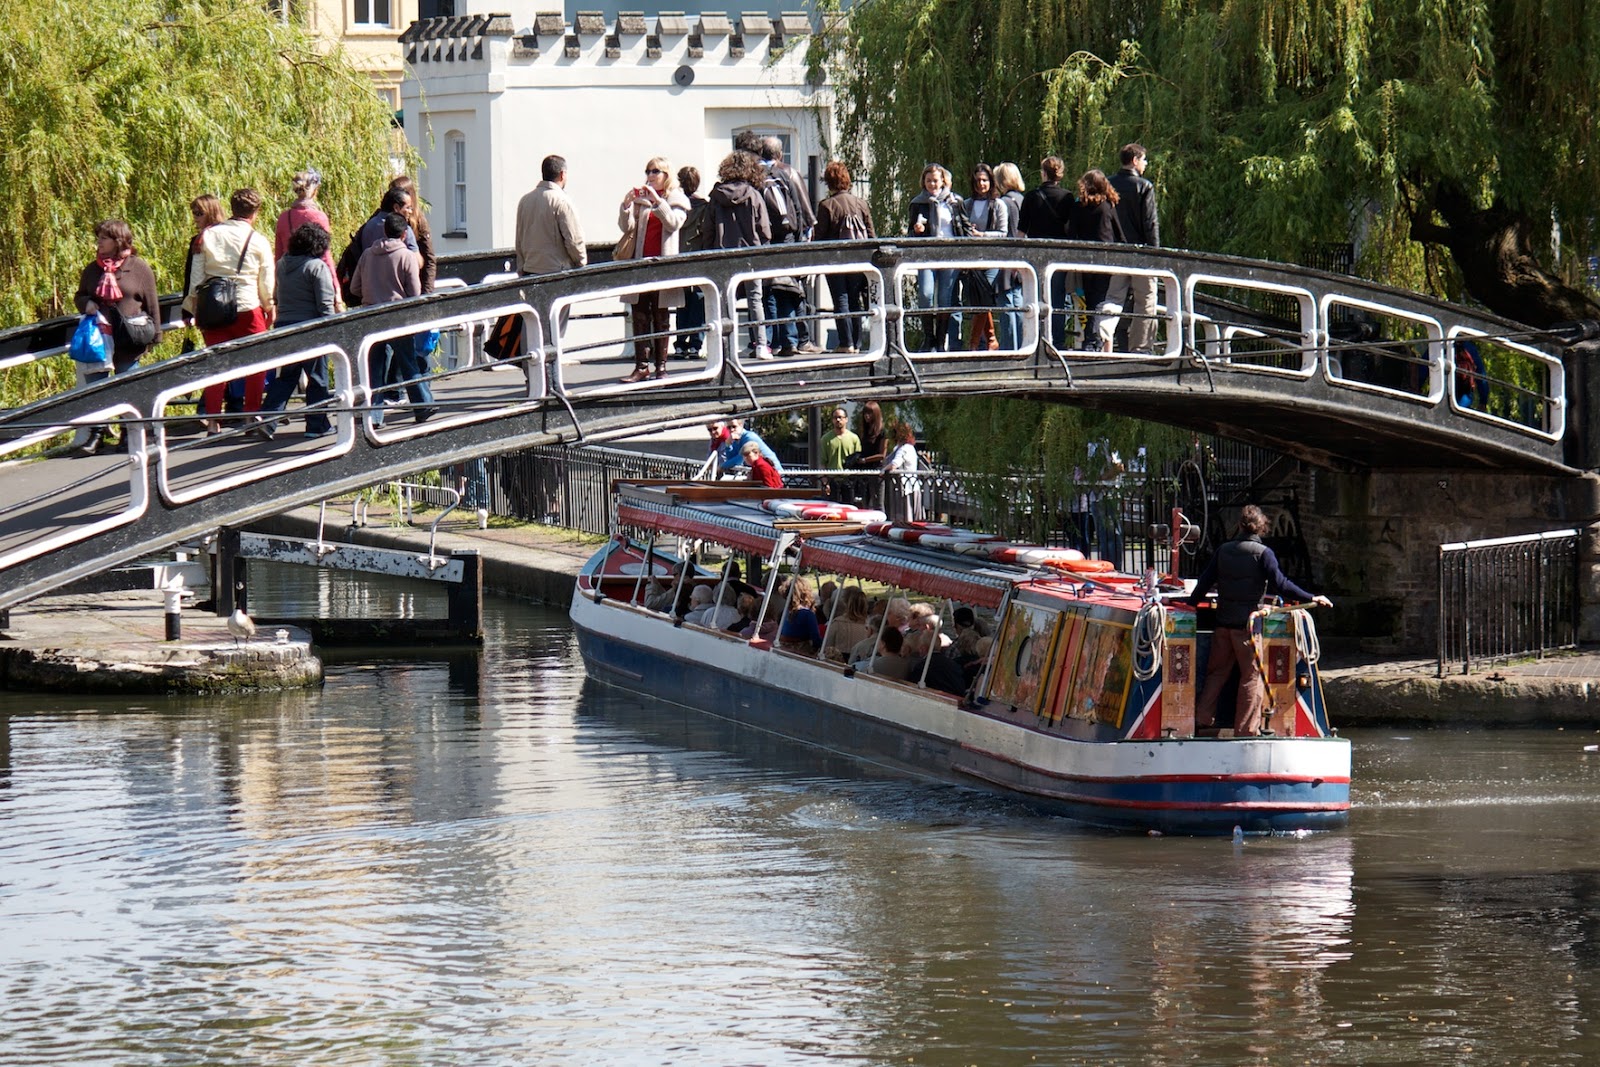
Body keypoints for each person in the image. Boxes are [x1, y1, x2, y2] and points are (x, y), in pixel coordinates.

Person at [1187, 505, 1333, 735]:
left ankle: (1202, 719)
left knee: (1216, 673)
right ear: (1262, 527)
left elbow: (1204, 583)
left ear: (1239, 526)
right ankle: (1246, 729)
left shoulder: (1223, 550)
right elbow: (1281, 584)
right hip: (1248, 628)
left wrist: (1189, 605)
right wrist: (1311, 597)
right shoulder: (1264, 554)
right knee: (1251, 677)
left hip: (1223, 625)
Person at [183, 188, 276, 434]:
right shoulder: (258, 240)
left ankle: (213, 420)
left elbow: (196, 277)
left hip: (213, 308)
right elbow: (265, 279)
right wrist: (269, 305)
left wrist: (193, 307)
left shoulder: (207, 236)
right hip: (247, 306)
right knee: (256, 363)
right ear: (255, 212)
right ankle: (250, 415)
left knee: (216, 365)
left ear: (232, 208)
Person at [71, 219, 161, 453]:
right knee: (97, 388)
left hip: (128, 338)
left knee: (126, 385)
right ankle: (97, 434)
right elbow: (79, 296)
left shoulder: (139, 268)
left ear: (118, 241)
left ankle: (127, 433)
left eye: (104, 238)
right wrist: (87, 303)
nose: (98, 242)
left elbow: (152, 304)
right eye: (98, 238)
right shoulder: (92, 269)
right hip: (99, 338)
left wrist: (155, 336)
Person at [350, 211, 434, 427]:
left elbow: (354, 287)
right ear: (404, 234)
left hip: (371, 316)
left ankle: (375, 416)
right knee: (408, 362)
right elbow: (414, 292)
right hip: (397, 317)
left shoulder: (368, 254)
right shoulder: (406, 256)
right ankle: (423, 405)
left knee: (374, 368)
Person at [258, 222, 338, 439]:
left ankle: (268, 418)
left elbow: (278, 296)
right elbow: (325, 305)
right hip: (310, 328)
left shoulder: (282, 264)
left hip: (285, 326)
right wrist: (333, 331)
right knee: (317, 378)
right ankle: (317, 424)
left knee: (286, 376)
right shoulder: (316, 267)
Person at [617, 156, 690, 382]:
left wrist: (658, 201)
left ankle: (661, 366)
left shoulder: (676, 198)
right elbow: (626, 227)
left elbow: (673, 222)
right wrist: (626, 206)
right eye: (647, 171)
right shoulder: (642, 200)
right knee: (639, 314)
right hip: (641, 263)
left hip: (663, 265)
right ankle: (641, 366)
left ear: (666, 175)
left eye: (655, 171)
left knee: (661, 316)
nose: (650, 176)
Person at [708, 150, 771, 360]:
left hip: (722, 254)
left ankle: (726, 347)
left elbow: (708, 229)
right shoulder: (753, 195)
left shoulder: (716, 196)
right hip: (750, 254)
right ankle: (761, 345)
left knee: (725, 302)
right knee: (755, 300)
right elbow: (764, 230)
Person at [760, 135, 819, 356]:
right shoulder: (789, 172)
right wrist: (806, 229)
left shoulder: (756, 175)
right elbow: (802, 204)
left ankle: (772, 341)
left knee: (769, 291)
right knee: (791, 288)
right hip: (787, 236)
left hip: (764, 237)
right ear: (780, 152)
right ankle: (797, 339)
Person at [812, 161, 875, 353]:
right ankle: (857, 343)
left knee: (841, 300)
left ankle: (845, 343)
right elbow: (871, 234)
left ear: (828, 182)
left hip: (836, 261)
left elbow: (820, 237)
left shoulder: (826, 206)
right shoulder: (861, 203)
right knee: (855, 300)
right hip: (858, 260)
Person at [1106, 144, 1160, 353]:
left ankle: (1103, 339)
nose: (1145, 164)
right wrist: (1155, 254)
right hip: (1141, 254)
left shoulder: (1109, 184)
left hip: (1117, 252)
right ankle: (1141, 347)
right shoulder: (1144, 186)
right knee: (1145, 300)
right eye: (1144, 160)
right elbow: (1150, 223)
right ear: (1135, 160)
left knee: (1113, 297)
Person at [1065, 169, 1127, 352]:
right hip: (1105, 259)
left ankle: (1091, 339)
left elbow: (1071, 233)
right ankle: (1093, 341)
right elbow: (1119, 234)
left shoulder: (1078, 207)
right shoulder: (1108, 206)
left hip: (1084, 259)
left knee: (1091, 298)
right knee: (1099, 299)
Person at [1018, 156, 1075, 347]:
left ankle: (1036, 341)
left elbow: (1021, 232)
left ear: (1043, 173)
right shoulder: (1068, 197)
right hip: (1059, 256)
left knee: (1034, 298)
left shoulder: (1031, 197)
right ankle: (1056, 342)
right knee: (1057, 300)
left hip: (1034, 256)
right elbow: (1071, 229)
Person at [908, 163, 964, 351]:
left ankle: (940, 340)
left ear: (943, 181)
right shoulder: (918, 203)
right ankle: (928, 336)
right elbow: (910, 233)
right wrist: (917, 231)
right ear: (924, 182)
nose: (932, 184)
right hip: (926, 254)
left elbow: (962, 226)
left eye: (935, 180)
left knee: (944, 297)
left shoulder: (954, 201)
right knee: (925, 294)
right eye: (929, 180)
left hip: (949, 253)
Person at [274, 168, 341, 308]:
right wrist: (337, 292)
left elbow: (278, 256)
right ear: (315, 191)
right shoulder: (318, 217)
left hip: (288, 280)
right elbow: (325, 256)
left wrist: (276, 288)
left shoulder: (283, 218)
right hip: (313, 278)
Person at [962, 163, 1009, 351]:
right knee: (979, 300)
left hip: (991, 257)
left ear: (991, 182)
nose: (981, 184)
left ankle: (973, 344)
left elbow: (1003, 233)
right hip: (972, 258)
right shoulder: (966, 204)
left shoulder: (999, 205)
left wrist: (983, 235)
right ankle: (991, 340)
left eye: (984, 180)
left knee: (984, 297)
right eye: (978, 180)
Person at [515, 154, 587, 276]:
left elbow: (519, 240)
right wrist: (581, 261)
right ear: (562, 174)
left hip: (529, 272)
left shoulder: (525, 201)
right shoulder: (562, 201)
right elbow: (573, 240)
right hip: (556, 273)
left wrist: (522, 267)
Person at [673, 165, 711, 360]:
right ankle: (696, 344)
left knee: (682, 303)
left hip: (679, 258)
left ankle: (680, 344)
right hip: (698, 259)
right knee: (698, 302)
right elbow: (707, 234)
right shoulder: (704, 207)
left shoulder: (675, 206)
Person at [992, 162, 1028, 349]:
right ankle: (1022, 346)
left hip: (1007, 258)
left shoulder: (1002, 203)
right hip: (1023, 260)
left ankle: (1008, 349)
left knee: (1007, 305)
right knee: (1019, 305)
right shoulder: (1024, 200)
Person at [389, 175, 437, 294]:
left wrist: (427, 294)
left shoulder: (419, 222)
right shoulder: (387, 217)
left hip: (414, 284)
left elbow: (429, 259)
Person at [819, 404, 862, 502]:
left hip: (849, 480)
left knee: (850, 510)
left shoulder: (854, 438)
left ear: (846, 419)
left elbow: (858, 460)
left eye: (840, 417)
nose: (838, 420)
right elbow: (822, 463)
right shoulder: (826, 439)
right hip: (832, 480)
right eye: (835, 418)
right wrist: (825, 482)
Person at [882, 420, 920, 522]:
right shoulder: (899, 448)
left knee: (905, 518)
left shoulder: (905, 448)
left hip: (906, 488)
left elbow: (895, 464)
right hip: (905, 487)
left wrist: (882, 471)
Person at [777, 577, 822, 654]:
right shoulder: (808, 614)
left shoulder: (784, 613)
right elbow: (816, 639)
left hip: (783, 649)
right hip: (802, 651)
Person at [857, 400, 887, 509]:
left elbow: (882, 455)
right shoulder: (865, 431)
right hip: (864, 470)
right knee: (864, 501)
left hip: (876, 470)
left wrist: (865, 460)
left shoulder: (882, 432)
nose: (867, 416)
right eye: (865, 413)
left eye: (869, 413)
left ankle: (881, 524)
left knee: (878, 502)